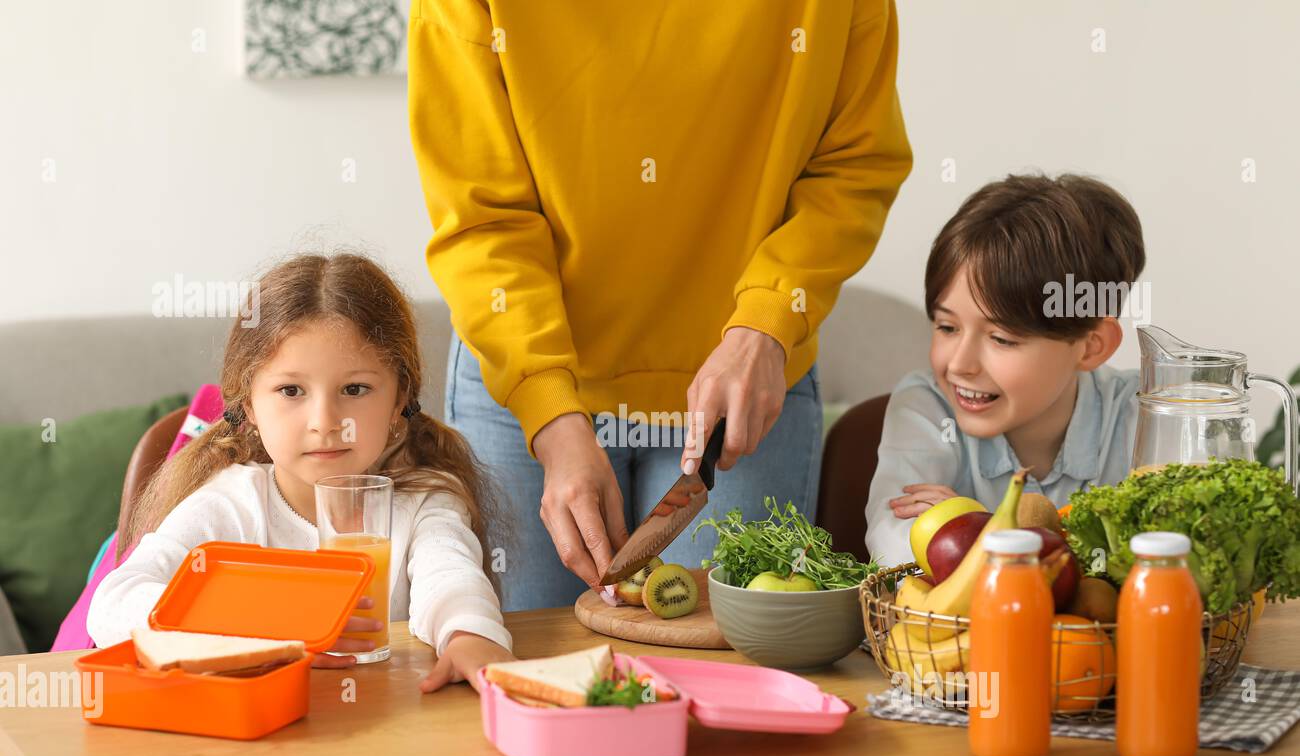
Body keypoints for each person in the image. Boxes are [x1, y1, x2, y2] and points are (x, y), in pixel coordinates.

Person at [408, 0, 912, 609]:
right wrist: (550, 412)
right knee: (529, 667)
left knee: (724, 677)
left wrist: (765, 325)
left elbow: (854, 165)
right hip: (526, 388)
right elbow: (481, 213)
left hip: (745, 390)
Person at [87, 254, 515, 693]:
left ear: (398, 398)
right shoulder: (230, 506)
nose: (324, 421)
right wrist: (269, 628)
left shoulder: (425, 500)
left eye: (354, 389)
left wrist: (470, 636)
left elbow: (451, 578)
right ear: (249, 406)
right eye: (291, 390)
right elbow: (114, 605)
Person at [865, 173, 1146, 567]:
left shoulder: (1146, 417)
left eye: (1001, 339)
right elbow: (896, 552)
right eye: (947, 327)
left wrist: (980, 530)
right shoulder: (926, 406)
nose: (960, 364)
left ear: (1089, 345)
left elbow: (1178, 556)